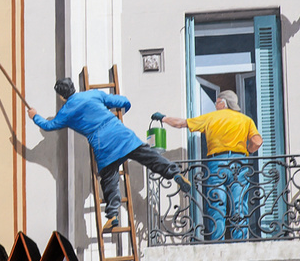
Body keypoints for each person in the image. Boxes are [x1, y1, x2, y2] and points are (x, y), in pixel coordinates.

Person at [29, 78, 189, 233]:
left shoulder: (66, 112)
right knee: (150, 157)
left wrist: (34, 116)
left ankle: (113, 215)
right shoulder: (92, 94)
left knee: (109, 180)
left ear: (61, 96)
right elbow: (124, 102)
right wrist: (116, 112)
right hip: (121, 134)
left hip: (103, 146)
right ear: (73, 87)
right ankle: (174, 173)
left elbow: (49, 126)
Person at [157, 91, 262, 240]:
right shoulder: (245, 120)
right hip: (239, 163)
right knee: (239, 204)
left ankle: (216, 241)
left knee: (216, 203)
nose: (215, 105)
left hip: (216, 163)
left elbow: (181, 123)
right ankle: (240, 241)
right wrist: (248, 151)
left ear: (223, 103)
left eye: (217, 102)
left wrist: (163, 118)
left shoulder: (211, 117)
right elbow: (257, 141)